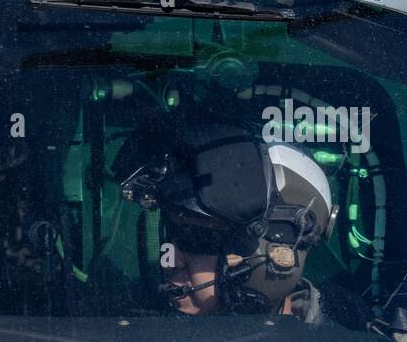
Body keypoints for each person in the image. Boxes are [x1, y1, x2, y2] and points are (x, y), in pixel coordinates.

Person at [118, 116, 337, 321]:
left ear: (276, 253)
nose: (170, 261)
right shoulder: (123, 326)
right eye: (169, 233)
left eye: (195, 240)